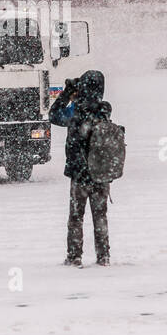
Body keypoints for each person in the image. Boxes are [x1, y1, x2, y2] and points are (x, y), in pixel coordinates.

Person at [50, 70, 112, 267]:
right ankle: (103, 256)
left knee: (76, 217)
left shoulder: (75, 111)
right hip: (100, 172)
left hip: (79, 174)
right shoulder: (105, 109)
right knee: (100, 216)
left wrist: (68, 92)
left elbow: (54, 115)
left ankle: (74, 255)